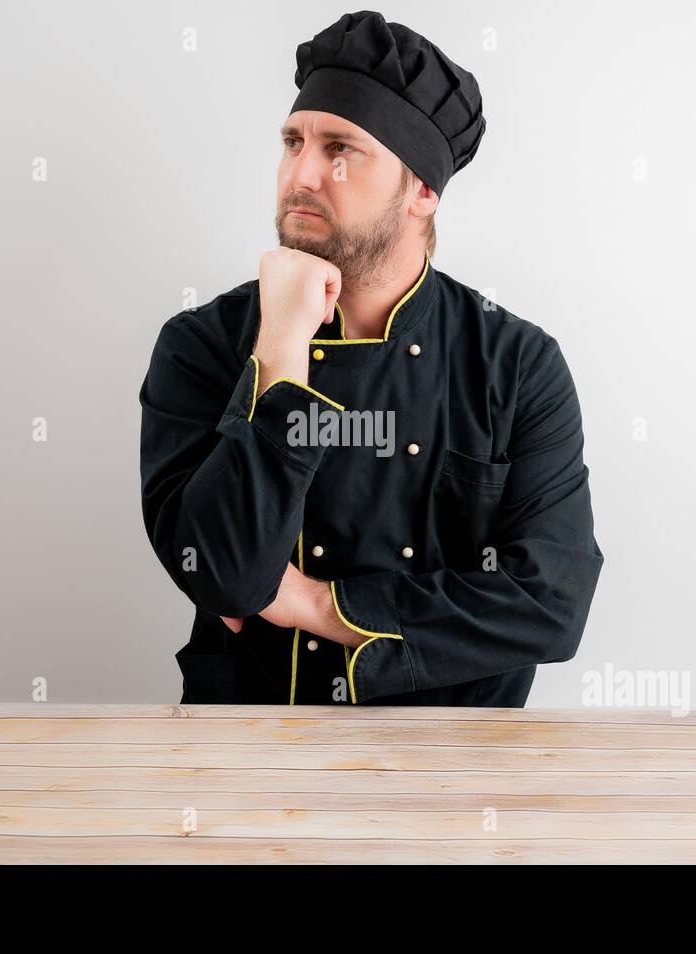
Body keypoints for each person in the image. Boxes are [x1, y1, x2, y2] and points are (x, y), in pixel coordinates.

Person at [139, 10, 604, 706]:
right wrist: (281, 342)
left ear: (423, 191)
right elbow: (224, 574)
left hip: (454, 756)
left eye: (340, 149)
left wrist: (314, 603)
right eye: (292, 142)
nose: (301, 174)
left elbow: (551, 605)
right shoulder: (203, 344)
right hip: (250, 744)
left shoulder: (516, 364)